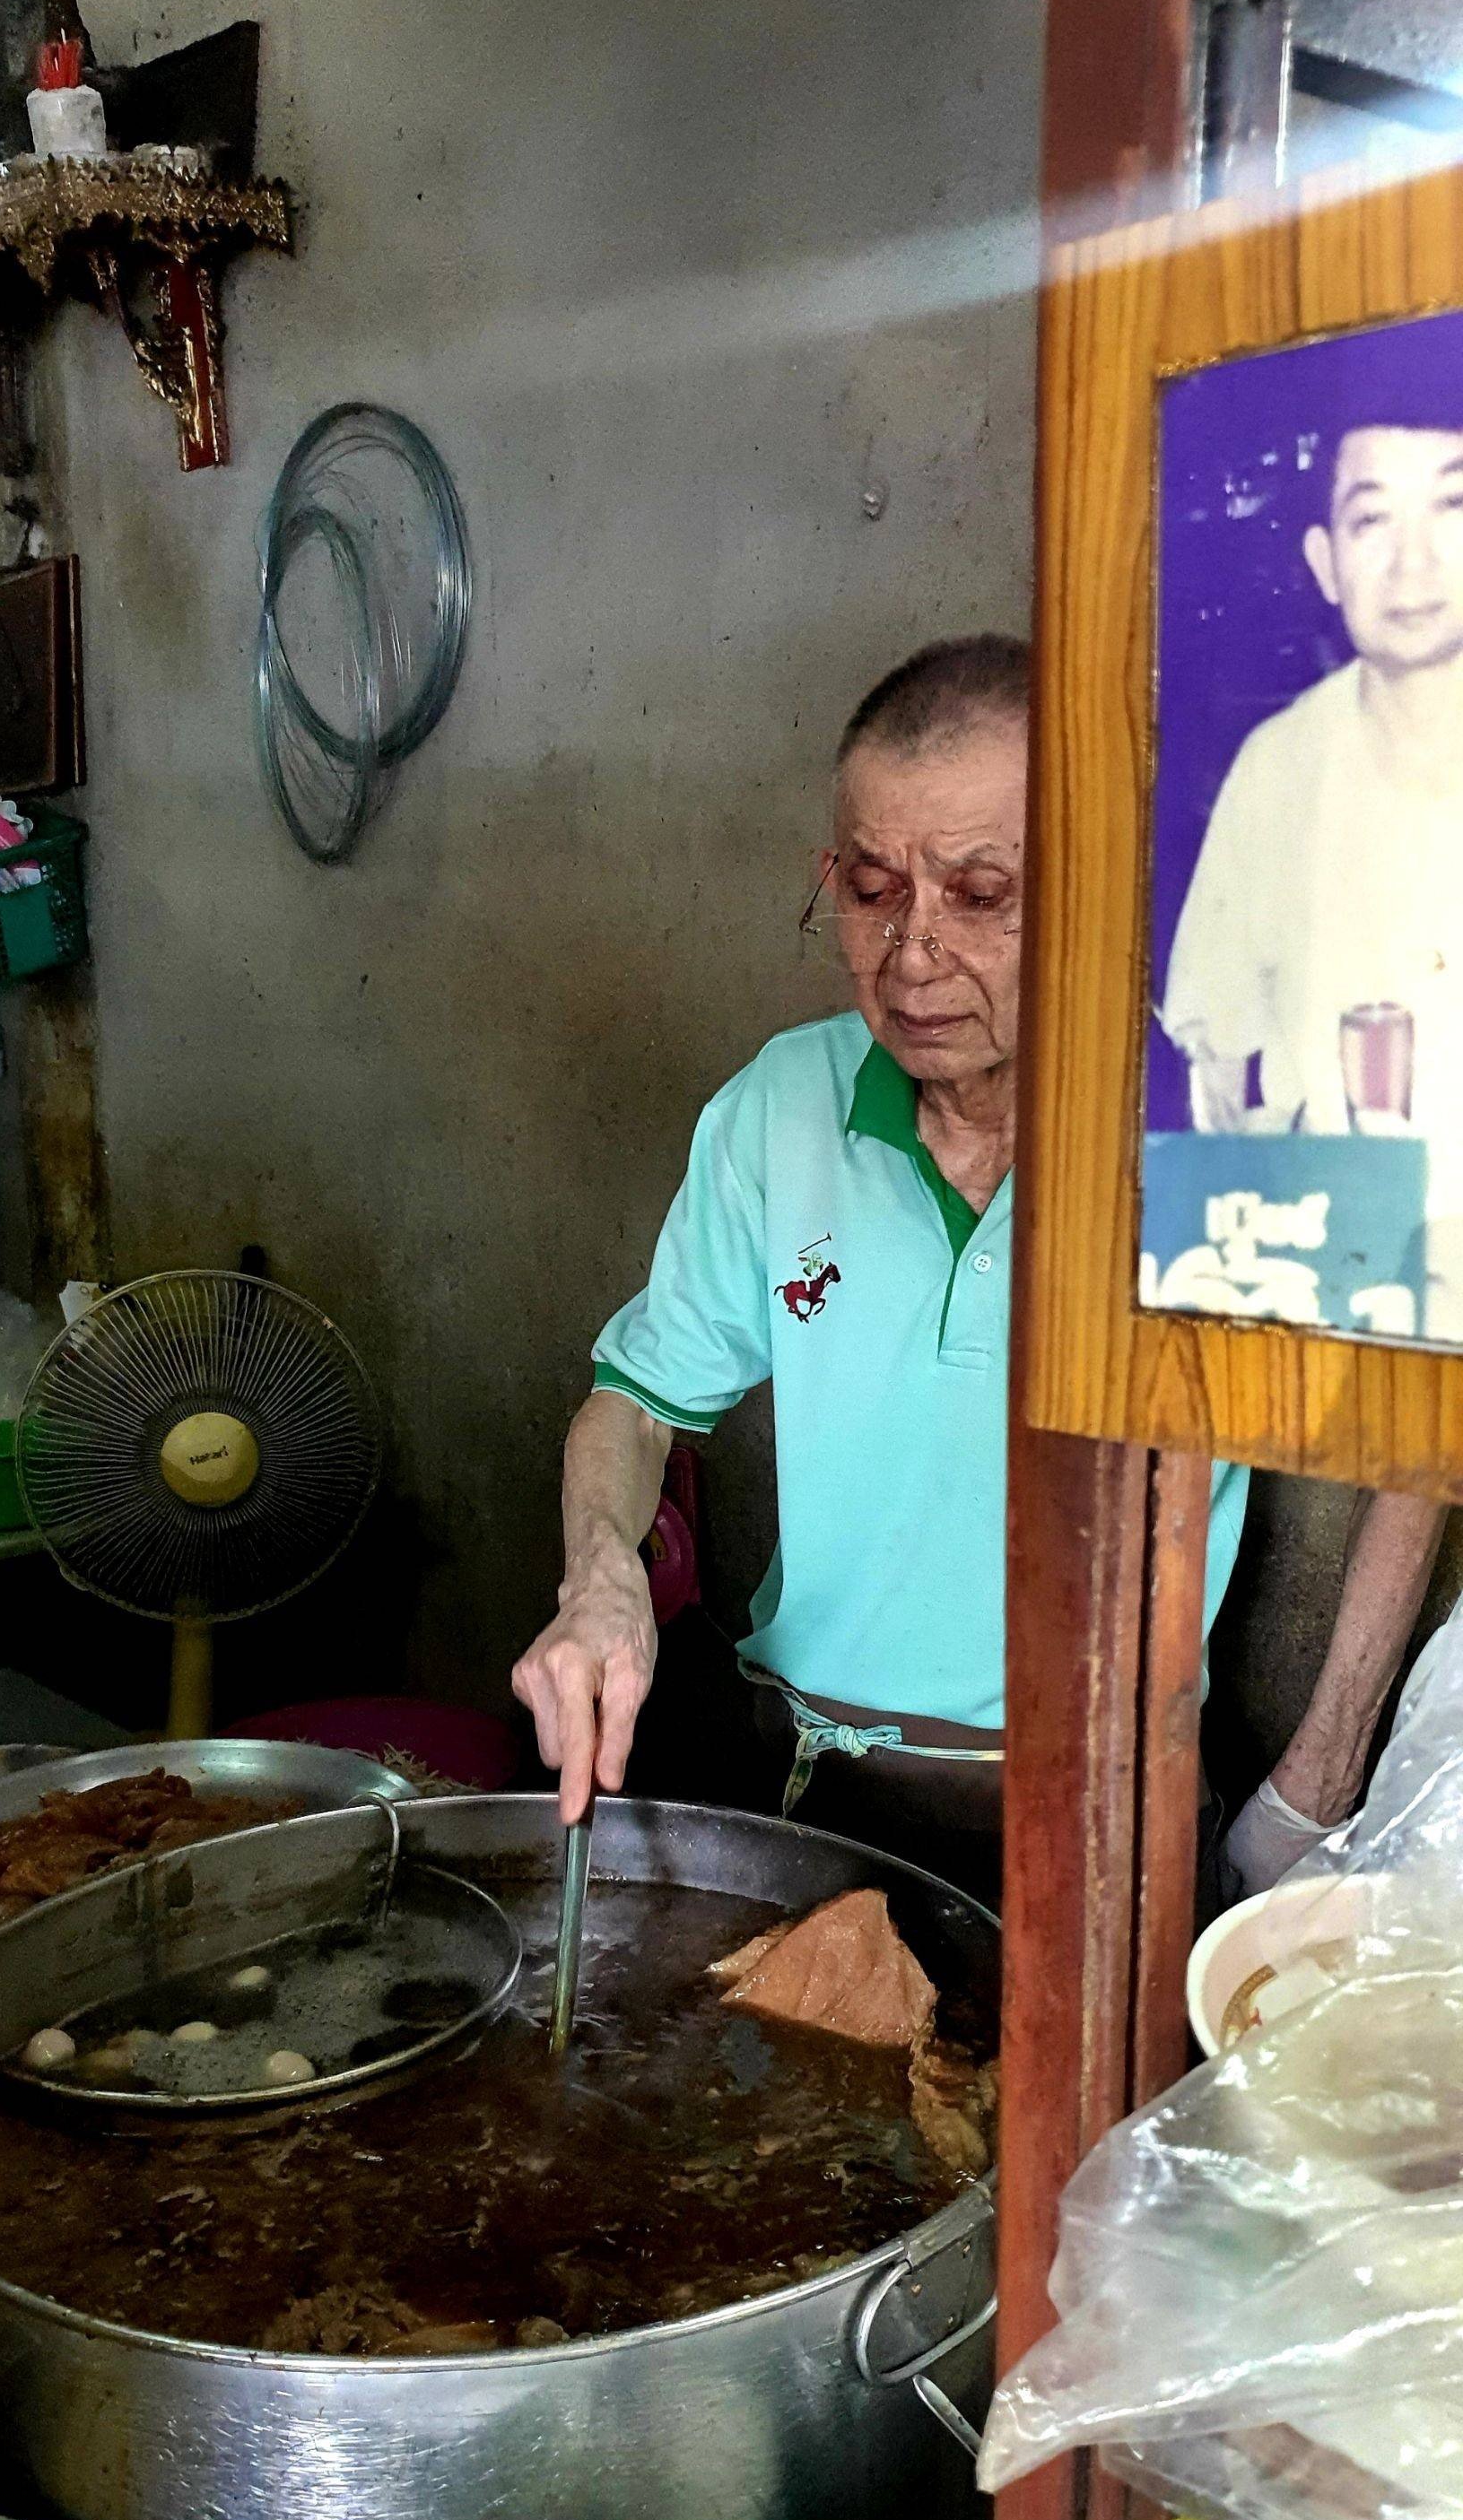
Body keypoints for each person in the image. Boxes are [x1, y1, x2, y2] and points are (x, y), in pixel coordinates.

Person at [512, 635, 1446, 1896]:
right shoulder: (780, 1111)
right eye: (872, 884)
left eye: (982, 890)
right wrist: (602, 1573)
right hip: (797, 1787)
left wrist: (1318, 1781)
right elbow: (631, 1405)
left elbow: (1428, 1413)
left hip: (1099, 1816)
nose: (911, 952)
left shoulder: (1227, 1127)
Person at [1163, 395, 1463, 1334]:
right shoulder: (1278, 768)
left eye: (1451, 507)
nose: (1413, 563)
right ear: (1327, 563)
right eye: (1373, 518)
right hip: (1341, 1303)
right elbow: (1218, 1075)